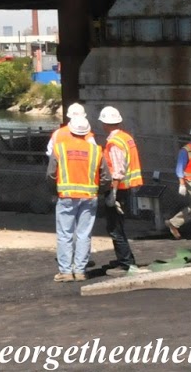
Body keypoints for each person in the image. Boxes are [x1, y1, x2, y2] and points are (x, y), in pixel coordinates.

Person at [46, 113, 102, 282]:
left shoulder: (60, 148)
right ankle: (80, 271)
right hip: (90, 196)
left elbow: (51, 173)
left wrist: (54, 190)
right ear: (87, 132)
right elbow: (105, 175)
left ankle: (65, 271)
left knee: (65, 234)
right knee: (84, 234)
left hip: (67, 196)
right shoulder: (96, 150)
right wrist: (100, 189)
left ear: (70, 130)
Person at [98, 106, 144, 274]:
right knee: (118, 226)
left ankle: (125, 263)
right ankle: (125, 259)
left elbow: (117, 170)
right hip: (125, 187)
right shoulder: (126, 137)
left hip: (118, 188)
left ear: (105, 123)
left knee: (115, 228)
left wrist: (113, 194)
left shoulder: (114, 143)